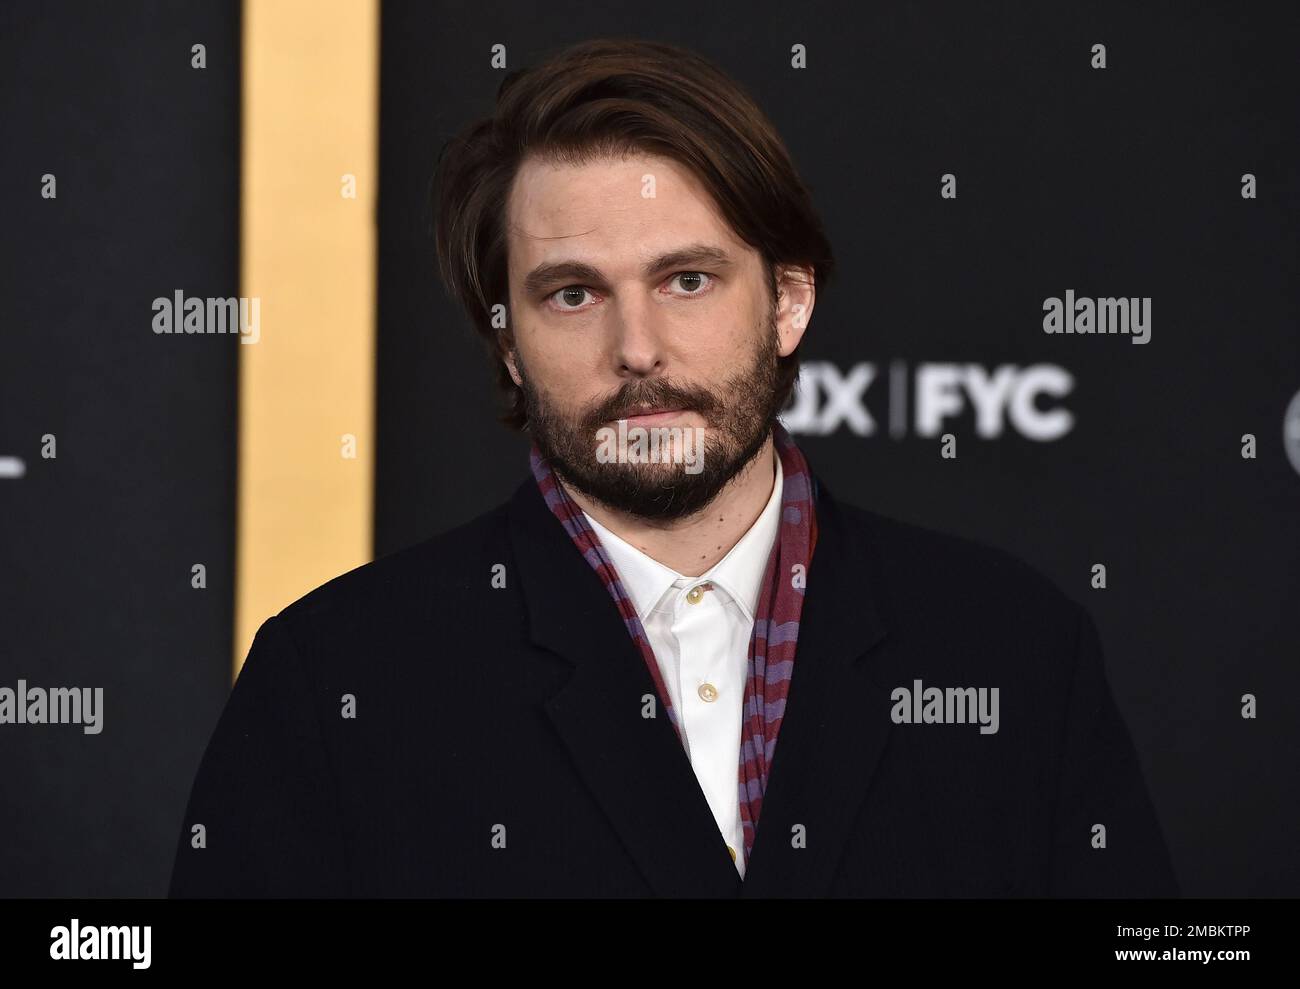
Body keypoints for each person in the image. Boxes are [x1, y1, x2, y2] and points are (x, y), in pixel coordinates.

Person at [169, 38, 1178, 897]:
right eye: (571, 293)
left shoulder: (1011, 647)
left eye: (687, 279)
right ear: (508, 342)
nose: (637, 346)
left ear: (786, 302)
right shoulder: (335, 680)